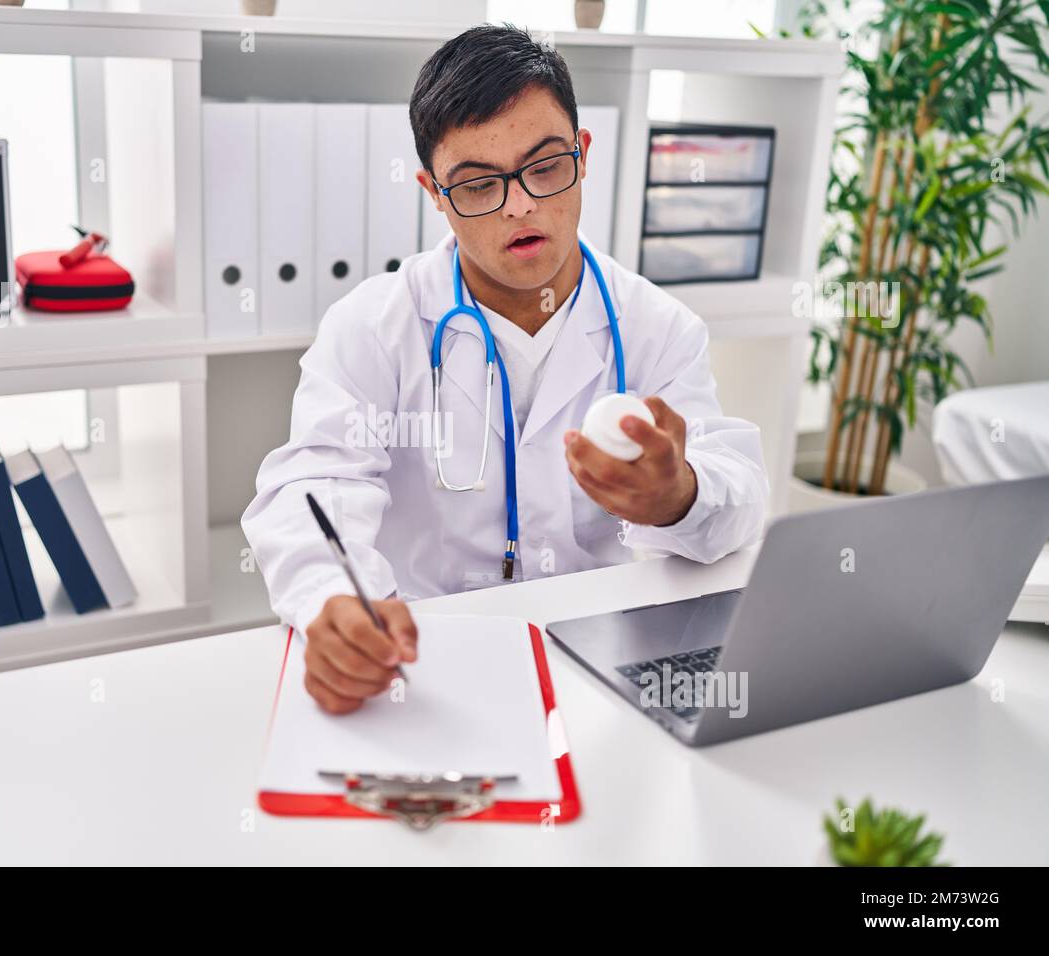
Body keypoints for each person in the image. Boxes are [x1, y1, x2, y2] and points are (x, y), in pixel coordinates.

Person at [242, 24, 768, 714]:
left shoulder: (657, 326)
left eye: (544, 167)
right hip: (427, 652)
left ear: (582, 156)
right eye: (479, 184)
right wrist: (335, 599)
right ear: (435, 193)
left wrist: (679, 493)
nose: (520, 204)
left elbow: (740, 502)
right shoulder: (372, 326)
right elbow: (311, 486)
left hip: (597, 655)